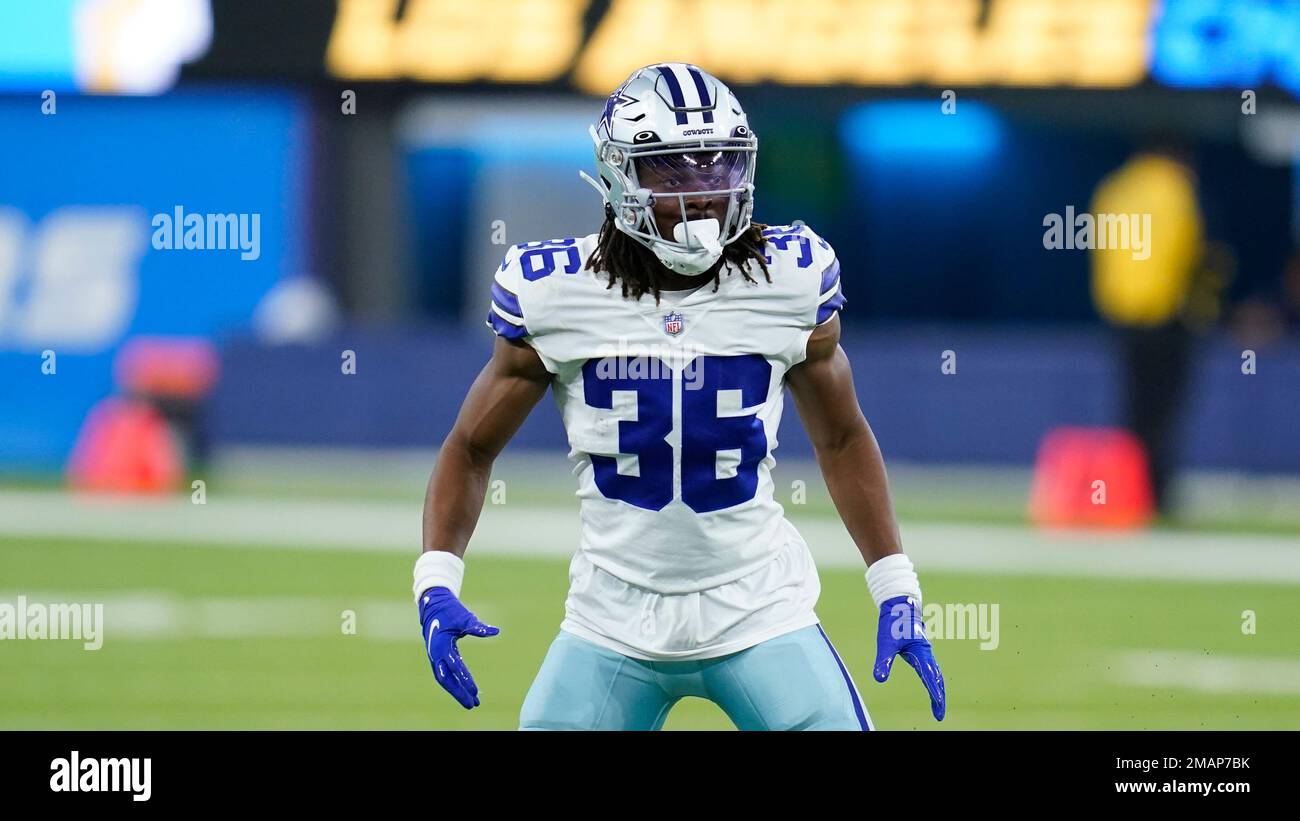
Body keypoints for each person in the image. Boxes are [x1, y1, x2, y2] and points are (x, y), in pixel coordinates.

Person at [413, 63, 944, 730]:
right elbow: (471, 445)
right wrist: (436, 579)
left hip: (759, 608)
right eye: (672, 171)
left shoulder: (789, 279)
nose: (703, 192)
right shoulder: (554, 291)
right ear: (617, 177)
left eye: (718, 167)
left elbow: (841, 436)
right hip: (611, 621)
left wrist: (894, 584)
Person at [1090, 141, 1208, 515]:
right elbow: (1187, 250)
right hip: (1167, 316)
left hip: (1124, 317)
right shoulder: (1174, 187)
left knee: (1134, 409)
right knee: (1165, 411)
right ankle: (1159, 495)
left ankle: (1130, 493)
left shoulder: (1115, 188)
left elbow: (1102, 251)